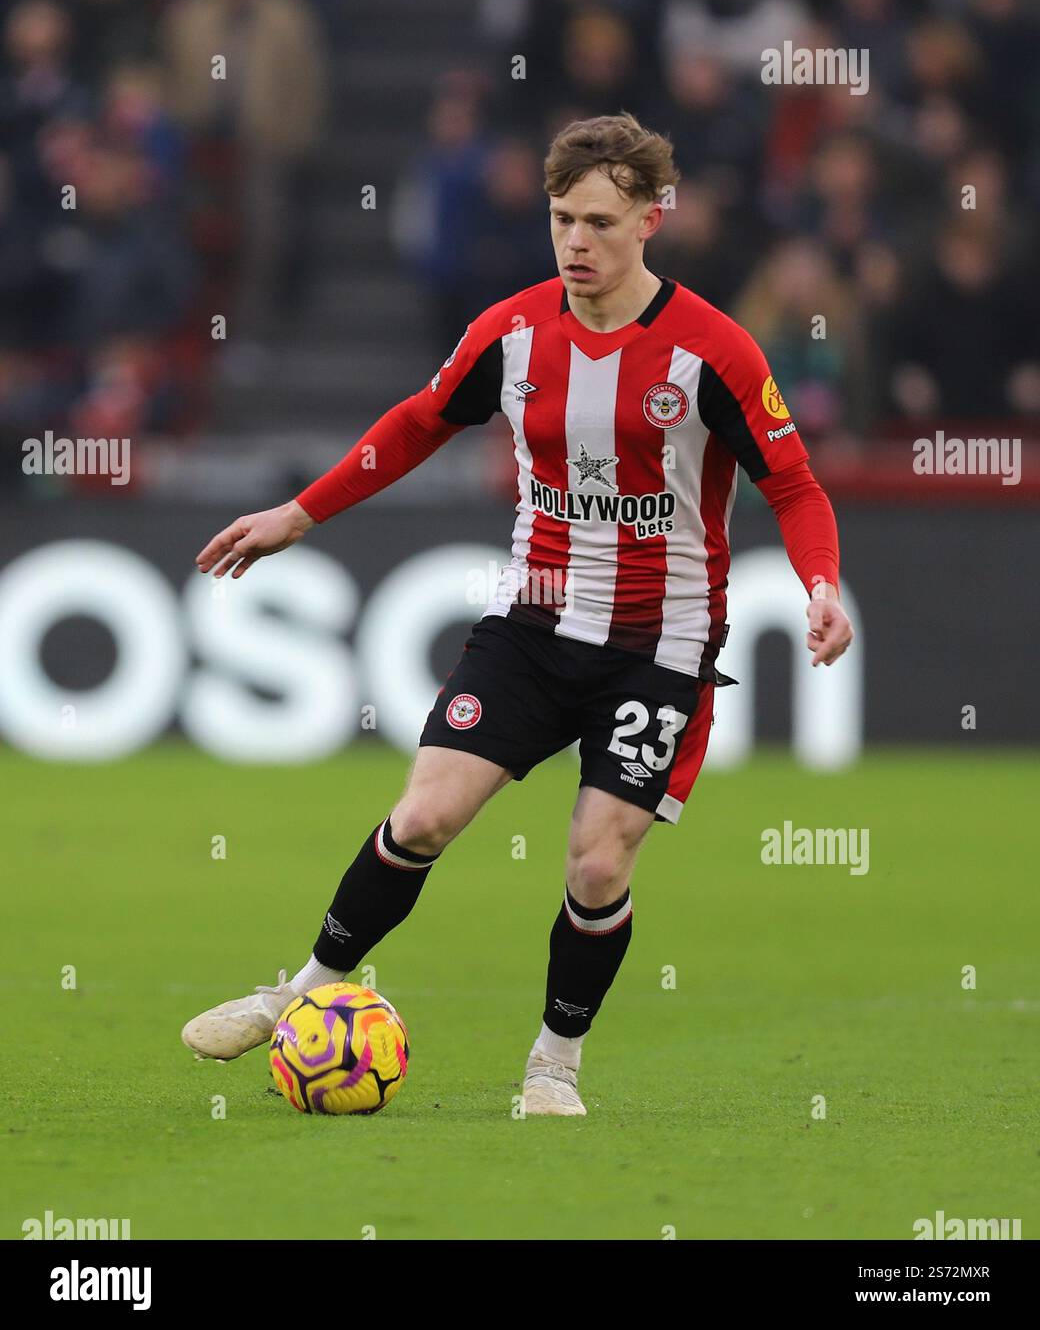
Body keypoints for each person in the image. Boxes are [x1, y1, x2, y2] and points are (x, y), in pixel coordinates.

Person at [183, 112, 853, 1116]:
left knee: (595, 857)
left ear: (649, 221)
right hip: (532, 622)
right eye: (558, 219)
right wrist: (298, 511)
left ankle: (552, 1061)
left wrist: (821, 585)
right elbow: (418, 422)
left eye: (595, 221)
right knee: (425, 813)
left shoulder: (711, 352)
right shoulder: (510, 331)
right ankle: (305, 992)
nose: (573, 242)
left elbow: (793, 485)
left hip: (660, 646)